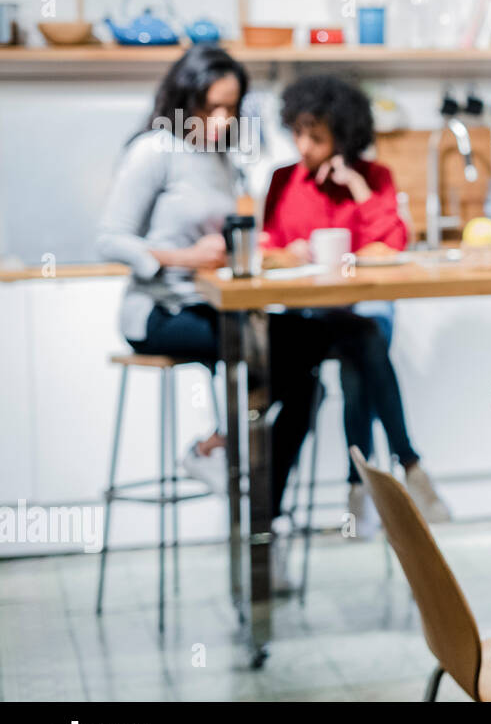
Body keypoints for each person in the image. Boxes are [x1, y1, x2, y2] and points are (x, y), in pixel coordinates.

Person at [260, 74, 449, 528]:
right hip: (310, 315)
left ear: (344, 136)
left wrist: (357, 188)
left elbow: (395, 242)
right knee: (362, 346)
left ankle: (357, 490)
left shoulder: (374, 177)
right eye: (298, 133)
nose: (303, 146)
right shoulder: (283, 180)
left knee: (359, 350)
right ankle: (409, 468)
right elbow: (264, 247)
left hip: (365, 309)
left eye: (317, 136)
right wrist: (292, 253)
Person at [97, 44, 248, 487]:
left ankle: (245, 473)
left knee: (296, 350)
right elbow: (109, 239)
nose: (223, 120)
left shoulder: (221, 159)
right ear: (187, 101)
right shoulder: (154, 151)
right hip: (157, 313)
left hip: (207, 305)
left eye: (232, 109)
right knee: (255, 348)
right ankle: (215, 450)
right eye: (213, 107)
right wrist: (186, 258)